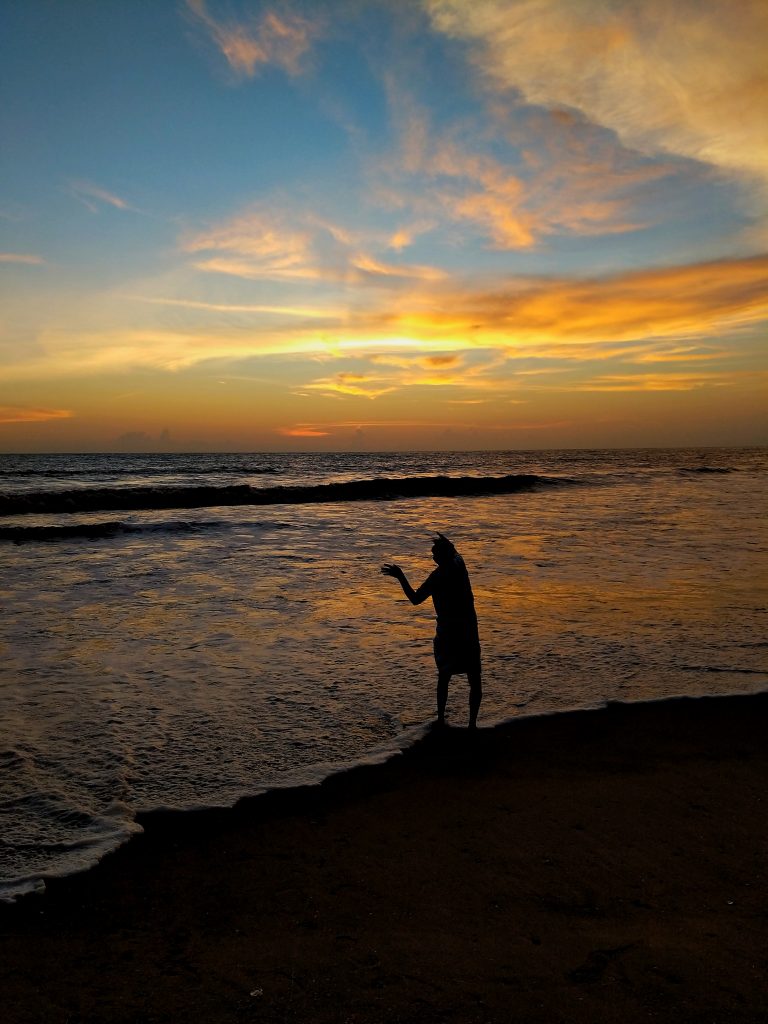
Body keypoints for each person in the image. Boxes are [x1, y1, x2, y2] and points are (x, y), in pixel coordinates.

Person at [382, 533, 482, 728]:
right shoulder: (459, 564)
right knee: (474, 676)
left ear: (442, 557)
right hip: (468, 627)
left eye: (435, 554)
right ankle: (472, 724)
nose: (433, 558)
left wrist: (401, 576)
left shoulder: (438, 576)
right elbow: (455, 550)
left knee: (445, 675)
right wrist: (445, 542)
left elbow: (415, 599)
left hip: (449, 631)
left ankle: (441, 719)